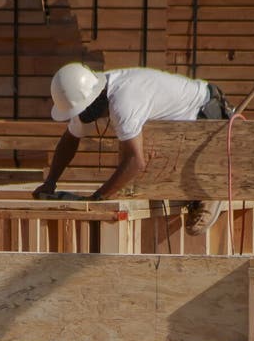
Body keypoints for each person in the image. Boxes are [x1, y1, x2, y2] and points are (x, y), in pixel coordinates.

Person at [32, 63, 234, 234]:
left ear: (92, 101)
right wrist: (50, 182)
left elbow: (135, 162)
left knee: (196, 224)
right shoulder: (91, 98)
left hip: (205, 115)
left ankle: (210, 188)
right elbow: (69, 141)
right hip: (173, 125)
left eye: (79, 111)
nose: (79, 117)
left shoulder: (124, 101)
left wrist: (99, 197)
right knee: (130, 156)